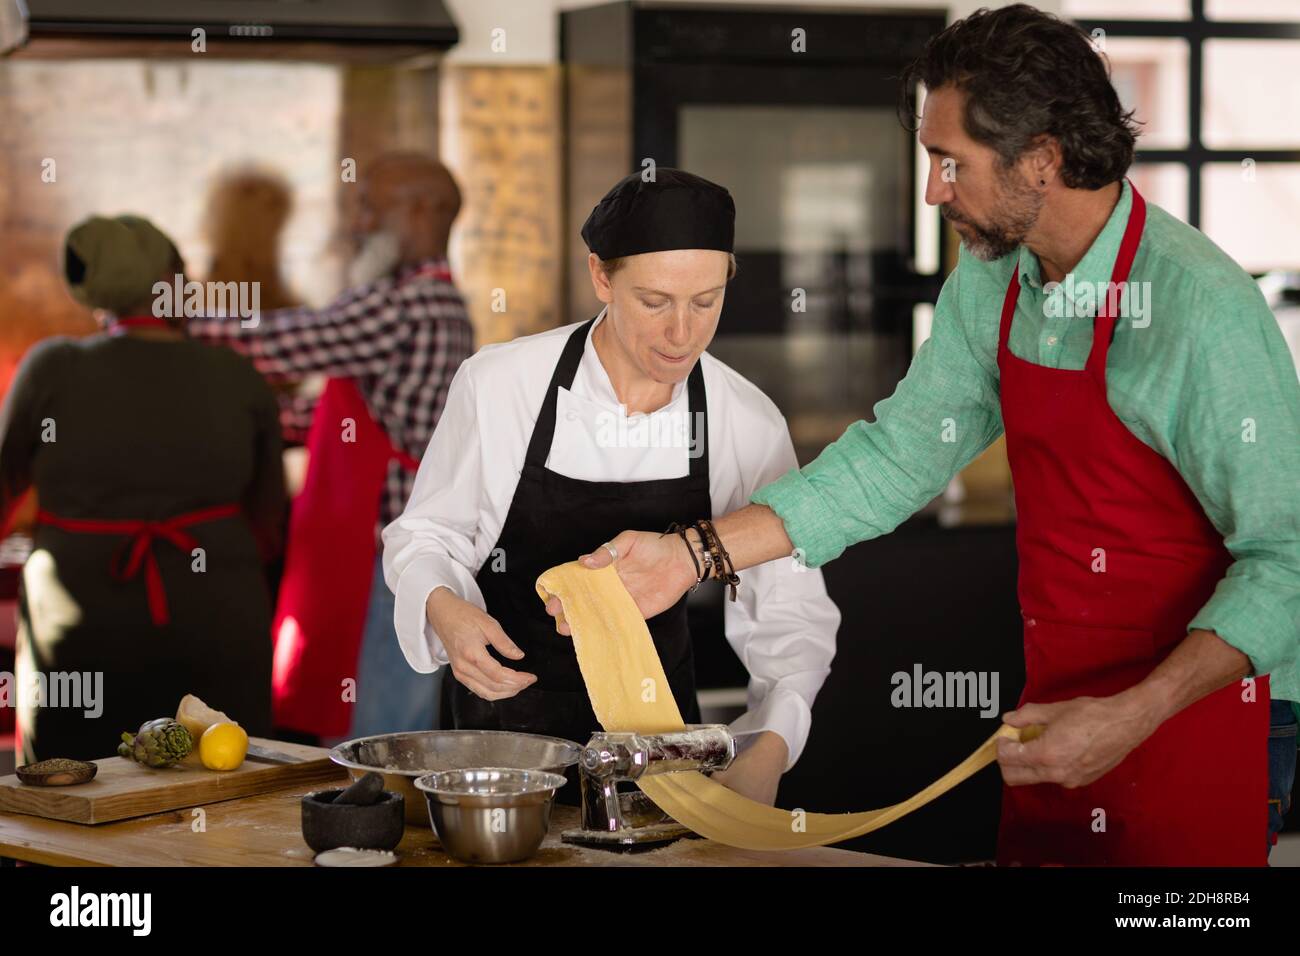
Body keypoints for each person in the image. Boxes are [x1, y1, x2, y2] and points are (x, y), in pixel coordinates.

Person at [558, 6, 1300, 865]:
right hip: (1055, 705)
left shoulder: (1200, 310)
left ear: (1043, 159)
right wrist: (689, 555)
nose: (932, 191)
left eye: (952, 163)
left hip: (1202, 709)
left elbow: (1287, 563)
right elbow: (900, 454)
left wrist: (1133, 714)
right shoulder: (993, 280)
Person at [383, 169, 840, 805]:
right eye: (655, 302)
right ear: (601, 277)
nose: (682, 333)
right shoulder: (501, 385)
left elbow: (790, 610)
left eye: (705, 301)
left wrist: (771, 742)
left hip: (658, 757)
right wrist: (444, 607)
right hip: (500, 750)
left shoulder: (745, 418)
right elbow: (426, 534)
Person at [188, 153, 474, 744]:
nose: (358, 221)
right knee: (380, 722)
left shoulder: (402, 305)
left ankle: (368, 832)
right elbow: (331, 420)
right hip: (398, 548)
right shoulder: (436, 300)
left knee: (379, 735)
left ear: (419, 211)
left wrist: (161, 321)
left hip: (384, 551)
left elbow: (274, 343)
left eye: (371, 205)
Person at [0, 214, 286, 762]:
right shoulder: (236, 373)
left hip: (78, 623)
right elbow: (269, 520)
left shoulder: (52, 368)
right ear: (174, 285)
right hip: (218, 617)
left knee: (70, 794)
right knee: (220, 788)